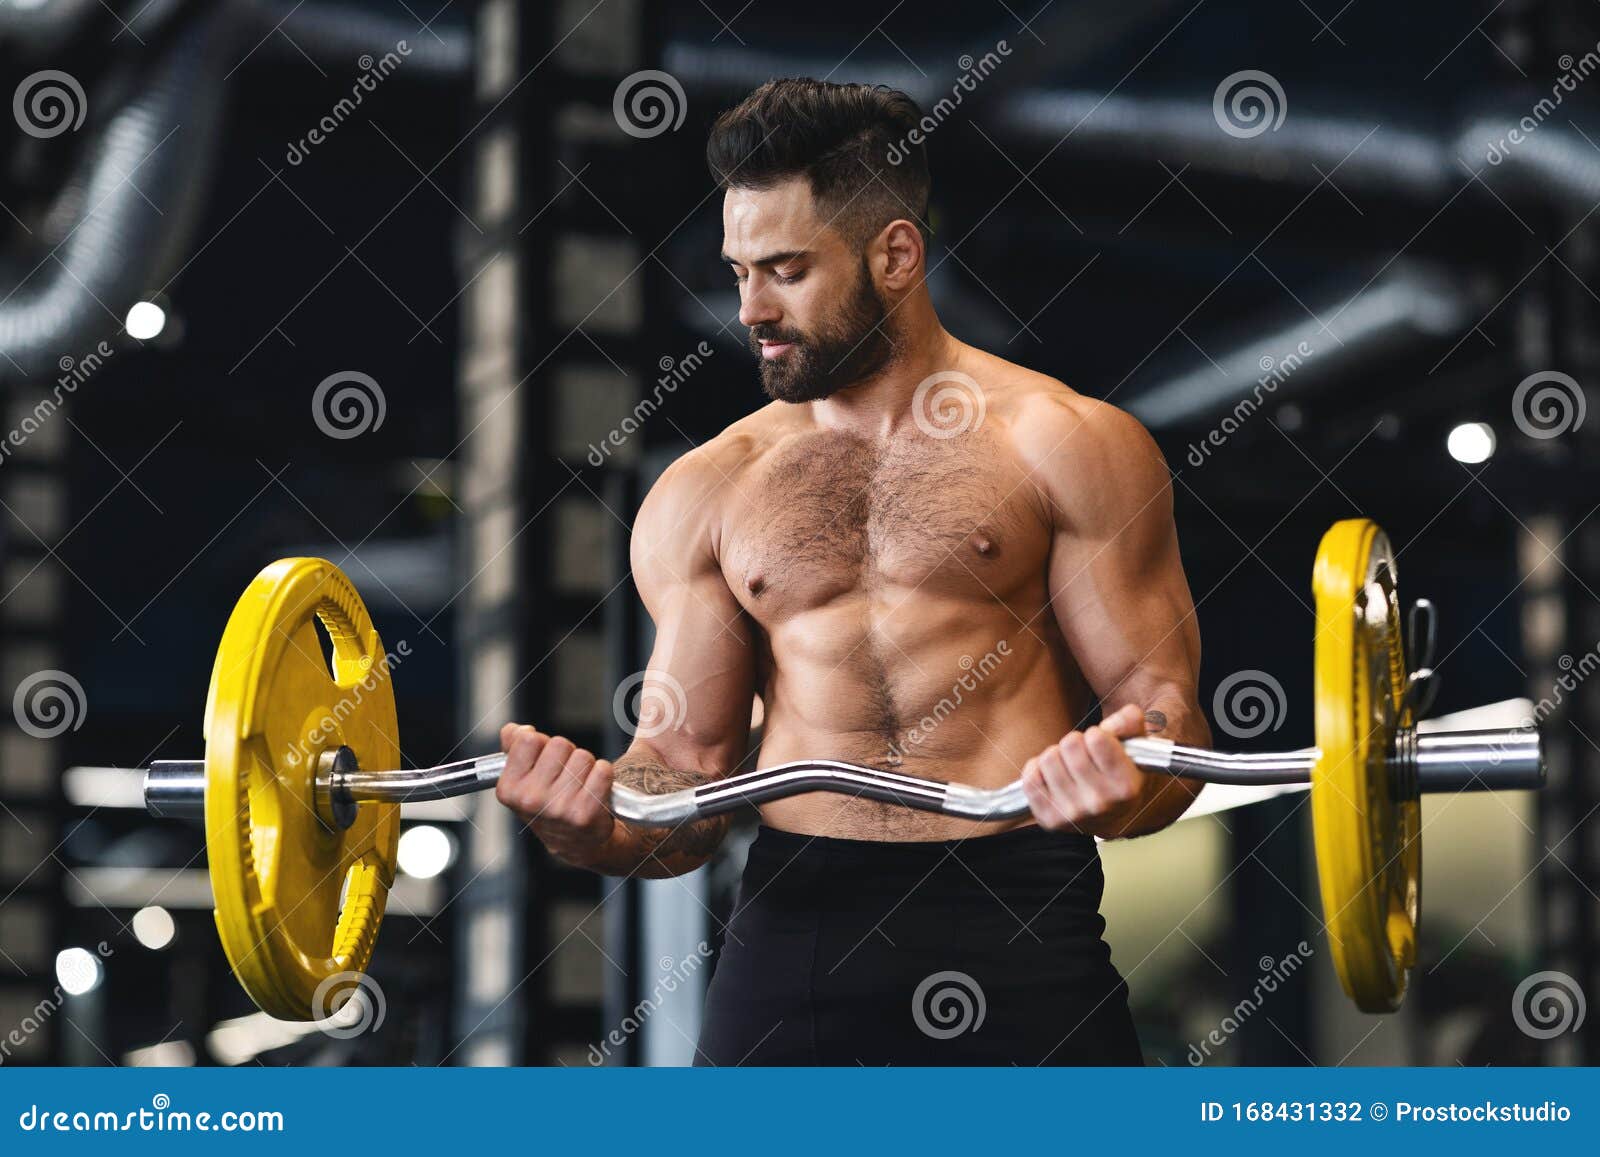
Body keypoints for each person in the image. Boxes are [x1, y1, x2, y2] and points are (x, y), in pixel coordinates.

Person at [495, 78, 1208, 1066]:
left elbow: (1165, 714)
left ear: (896, 255)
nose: (751, 307)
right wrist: (591, 828)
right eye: (739, 270)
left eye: (786, 270)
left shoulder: (1067, 442)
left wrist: (1121, 784)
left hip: (1014, 909)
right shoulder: (708, 489)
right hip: (796, 925)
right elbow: (686, 774)